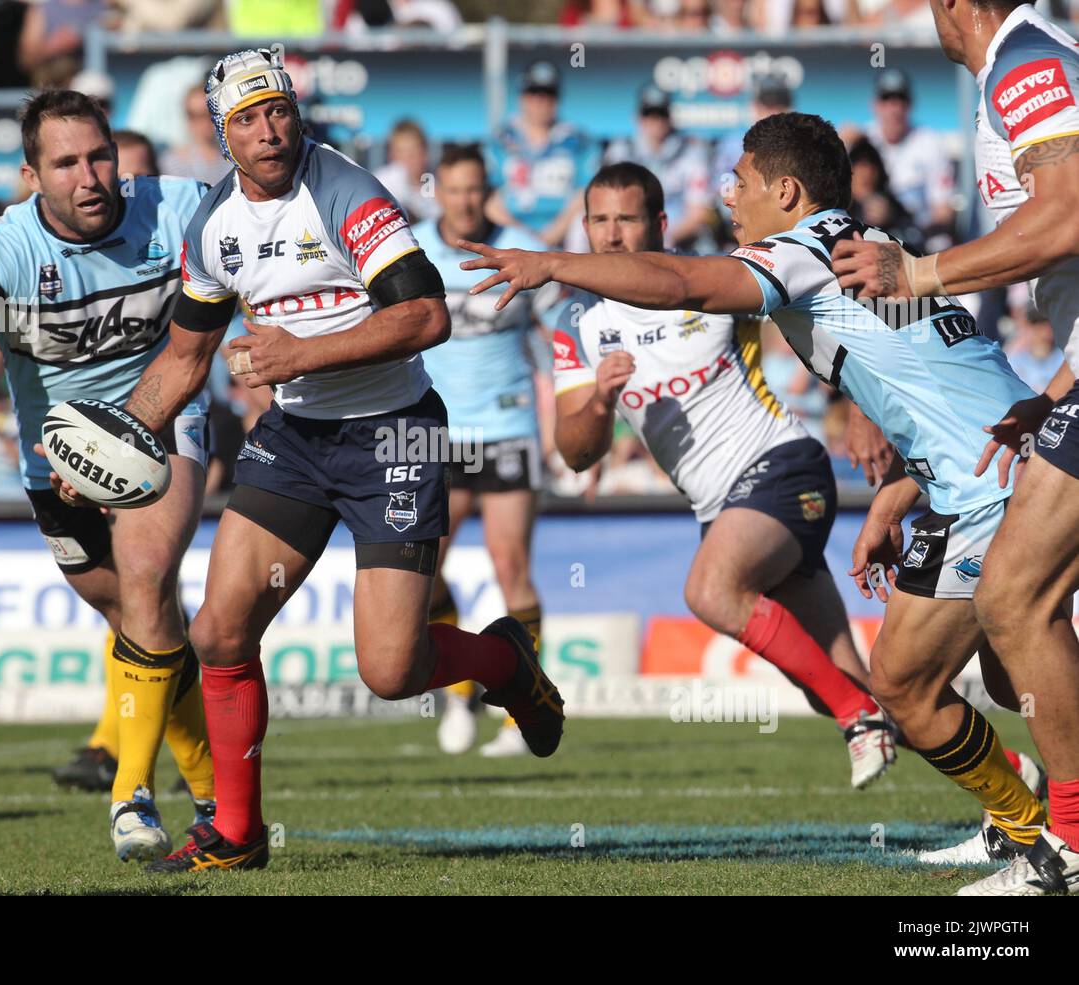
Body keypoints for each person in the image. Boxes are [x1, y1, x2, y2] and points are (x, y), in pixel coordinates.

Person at [460, 110, 1050, 887]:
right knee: (949, 682)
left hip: (981, 488)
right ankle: (1024, 820)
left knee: (955, 680)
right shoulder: (863, 249)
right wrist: (896, 495)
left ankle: (1051, 842)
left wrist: (550, 261)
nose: (728, 198)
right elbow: (922, 377)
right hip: (986, 475)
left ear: (786, 190)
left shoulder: (799, 250)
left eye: (738, 184)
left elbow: (679, 282)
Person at [55, 48, 565, 873]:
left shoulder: (345, 192)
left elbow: (428, 316)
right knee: (219, 632)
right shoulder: (215, 225)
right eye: (248, 120)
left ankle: (507, 662)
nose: (270, 131)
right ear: (222, 136)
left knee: (393, 670)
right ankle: (238, 831)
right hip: (295, 442)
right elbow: (185, 359)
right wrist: (116, 438)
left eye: (279, 111)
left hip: (395, 429)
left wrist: (301, 355)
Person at [0, 89, 218, 863]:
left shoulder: (180, 206)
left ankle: (131, 796)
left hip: (161, 420)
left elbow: (263, 226)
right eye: (66, 163)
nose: (90, 175)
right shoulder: (8, 247)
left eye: (100, 156)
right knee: (139, 616)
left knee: (149, 570)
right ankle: (216, 792)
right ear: (32, 175)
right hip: (52, 458)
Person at [833, 0, 1079, 896]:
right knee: (1019, 615)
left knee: (1015, 597)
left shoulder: (1026, 61)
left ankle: (1068, 851)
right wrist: (1049, 397)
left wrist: (919, 273)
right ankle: (1054, 835)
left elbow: (1066, 219)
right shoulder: (1023, 64)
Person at [553, 161, 895, 787]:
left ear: (658, 223)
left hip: (784, 466)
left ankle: (858, 719)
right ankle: (1013, 789)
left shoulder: (710, 281)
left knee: (710, 591)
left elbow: (826, 305)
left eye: (626, 219)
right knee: (846, 682)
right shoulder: (578, 323)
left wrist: (862, 406)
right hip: (725, 508)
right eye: (598, 221)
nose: (611, 235)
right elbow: (575, 452)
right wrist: (600, 403)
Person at [415, 143, 548, 757]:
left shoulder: (517, 248)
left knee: (511, 568)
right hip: (436, 433)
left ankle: (527, 710)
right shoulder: (409, 250)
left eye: (476, 189)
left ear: (486, 189)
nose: (466, 201)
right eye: (455, 188)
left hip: (508, 425)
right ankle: (462, 691)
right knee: (422, 570)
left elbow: (557, 332)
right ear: (436, 191)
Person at [485, 60, 599, 248]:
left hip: (565, 238)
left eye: (548, 94)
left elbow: (585, 194)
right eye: (533, 93)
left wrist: (549, 237)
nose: (540, 101)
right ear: (522, 96)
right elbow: (489, 200)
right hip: (512, 234)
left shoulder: (577, 140)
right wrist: (524, 237)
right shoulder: (501, 140)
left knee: (583, 225)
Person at [603, 87, 714, 250]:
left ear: (670, 117)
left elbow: (698, 214)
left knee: (707, 243)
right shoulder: (620, 151)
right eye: (649, 114)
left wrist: (665, 237)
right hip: (631, 231)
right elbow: (609, 205)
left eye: (661, 114)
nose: (656, 121)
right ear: (638, 118)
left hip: (678, 236)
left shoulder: (692, 151)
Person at [862, 69, 956, 238]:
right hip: (871, 233)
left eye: (901, 101)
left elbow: (944, 211)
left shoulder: (930, 142)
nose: (895, 109)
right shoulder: (864, 141)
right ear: (875, 105)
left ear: (910, 105)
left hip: (918, 236)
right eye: (887, 100)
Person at [159, 83, 234, 187]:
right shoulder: (169, 163)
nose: (203, 123)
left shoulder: (234, 161)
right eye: (193, 115)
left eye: (209, 114)